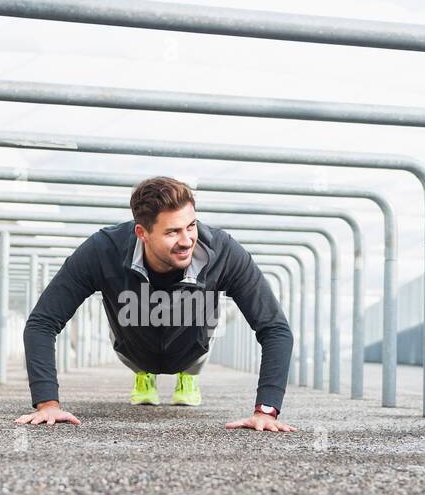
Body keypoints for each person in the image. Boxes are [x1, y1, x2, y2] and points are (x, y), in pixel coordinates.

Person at [15, 176, 296, 433]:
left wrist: (266, 411)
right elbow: (42, 322)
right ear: (142, 233)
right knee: (137, 331)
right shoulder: (102, 250)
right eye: (173, 232)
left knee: (200, 310)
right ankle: (144, 375)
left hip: (192, 349)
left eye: (191, 226)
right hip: (133, 348)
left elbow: (274, 328)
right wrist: (47, 404)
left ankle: (188, 377)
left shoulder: (223, 252)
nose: (187, 240)